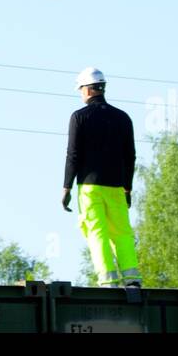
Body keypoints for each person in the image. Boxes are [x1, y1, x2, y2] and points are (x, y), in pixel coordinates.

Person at [61, 66, 140, 289]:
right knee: (123, 232)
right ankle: (132, 279)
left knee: (97, 232)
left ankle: (109, 281)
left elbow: (73, 154)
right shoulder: (123, 118)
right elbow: (130, 156)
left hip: (89, 187)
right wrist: (128, 188)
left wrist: (66, 187)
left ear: (87, 90)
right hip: (117, 186)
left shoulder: (79, 117)